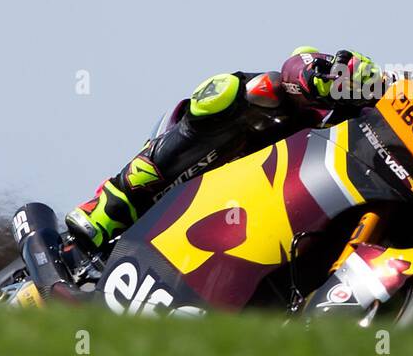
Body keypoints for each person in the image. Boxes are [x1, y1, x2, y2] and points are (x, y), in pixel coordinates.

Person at [64, 47, 382, 256]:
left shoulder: (356, 127)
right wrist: (316, 77)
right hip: (207, 156)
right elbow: (297, 63)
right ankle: (110, 206)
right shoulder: (294, 89)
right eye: (350, 83)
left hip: (253, 207)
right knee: (243, 91)